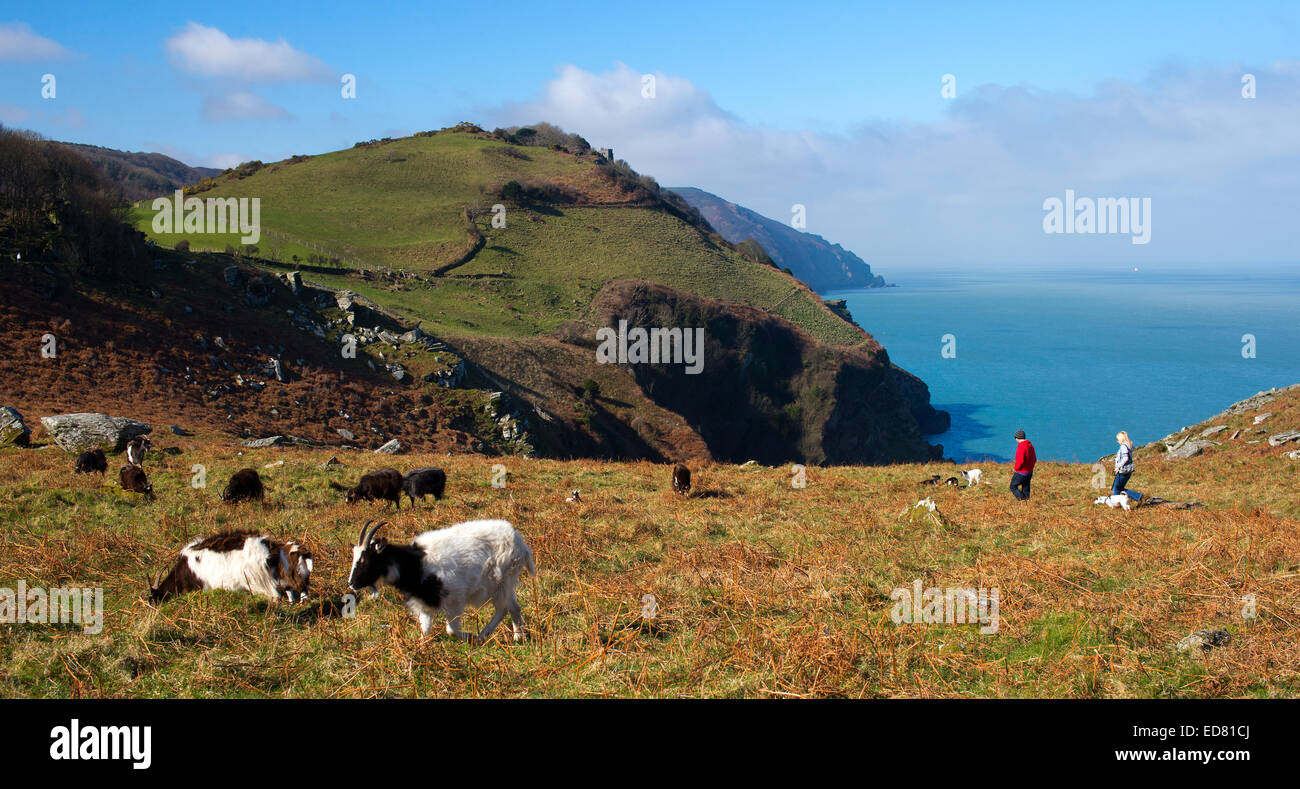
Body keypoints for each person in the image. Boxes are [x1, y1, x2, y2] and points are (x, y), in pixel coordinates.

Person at [1112, 431, 1143, 504]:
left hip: (1123, 470)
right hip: (1128, 470)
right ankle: (1138, 497)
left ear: (1122, 439)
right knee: (1120, 488)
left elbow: (1125, 458)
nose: (1117, 441)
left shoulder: (1123, 446)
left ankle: (1116, 503)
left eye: (1118, 439)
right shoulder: (1129, 445)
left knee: (1116, 488)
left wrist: (1118, 467)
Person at [1009, 429, 1035, 500]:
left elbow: (1020, 460)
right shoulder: (1030, 446)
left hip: (1021, 472)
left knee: (1013, 486)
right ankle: (1026, 502)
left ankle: (1022, 499)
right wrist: (1031, 467)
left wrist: (1016, 468)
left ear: (1017, 438)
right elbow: (1034, 458)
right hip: (1029, 471)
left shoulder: (1021, 446)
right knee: (1026, 487)